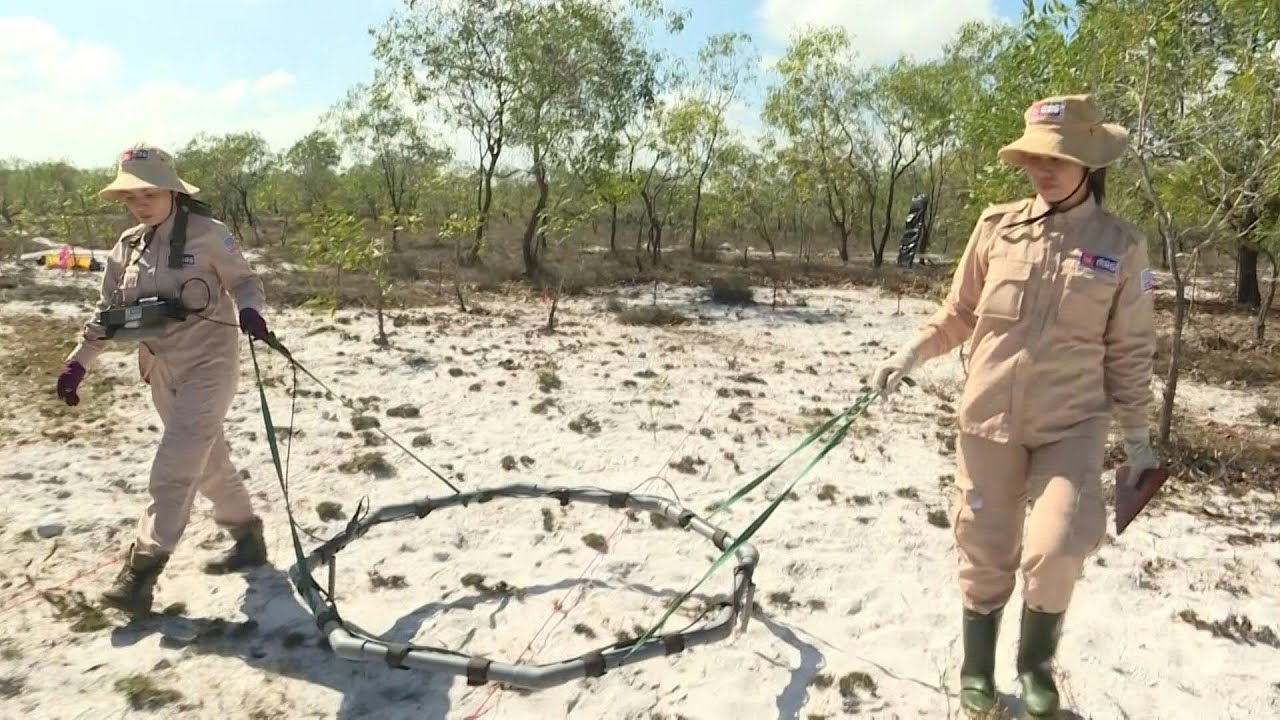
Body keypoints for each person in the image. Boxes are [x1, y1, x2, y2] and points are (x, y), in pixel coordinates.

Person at [873, 95, 1160, 718]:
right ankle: (977, 668)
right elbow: (958, 314)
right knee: (984, 546)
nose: (1042, 168)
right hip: (989, 417)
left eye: (1055, 157)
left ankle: (1035, 666)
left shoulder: (1122, 246)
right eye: (1032, 157)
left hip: (1073, 424)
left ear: (1088, 161)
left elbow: (1131, 350)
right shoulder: (995, 227)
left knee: (1058, 548)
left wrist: (1137, 437)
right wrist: (911, 354)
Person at [54, 143, 274, 615]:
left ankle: (141, 571)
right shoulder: (126, 248)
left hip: (210, 366)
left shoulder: (210, 234)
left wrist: (251, 311)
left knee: (175, 464)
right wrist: (79, 362)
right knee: (208, 459)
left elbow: (245, 282)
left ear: (173, 190)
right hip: (159, 370)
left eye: (149, 192)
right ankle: (246, 536)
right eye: (131, 196)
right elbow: (108, 315)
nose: (140, 203)